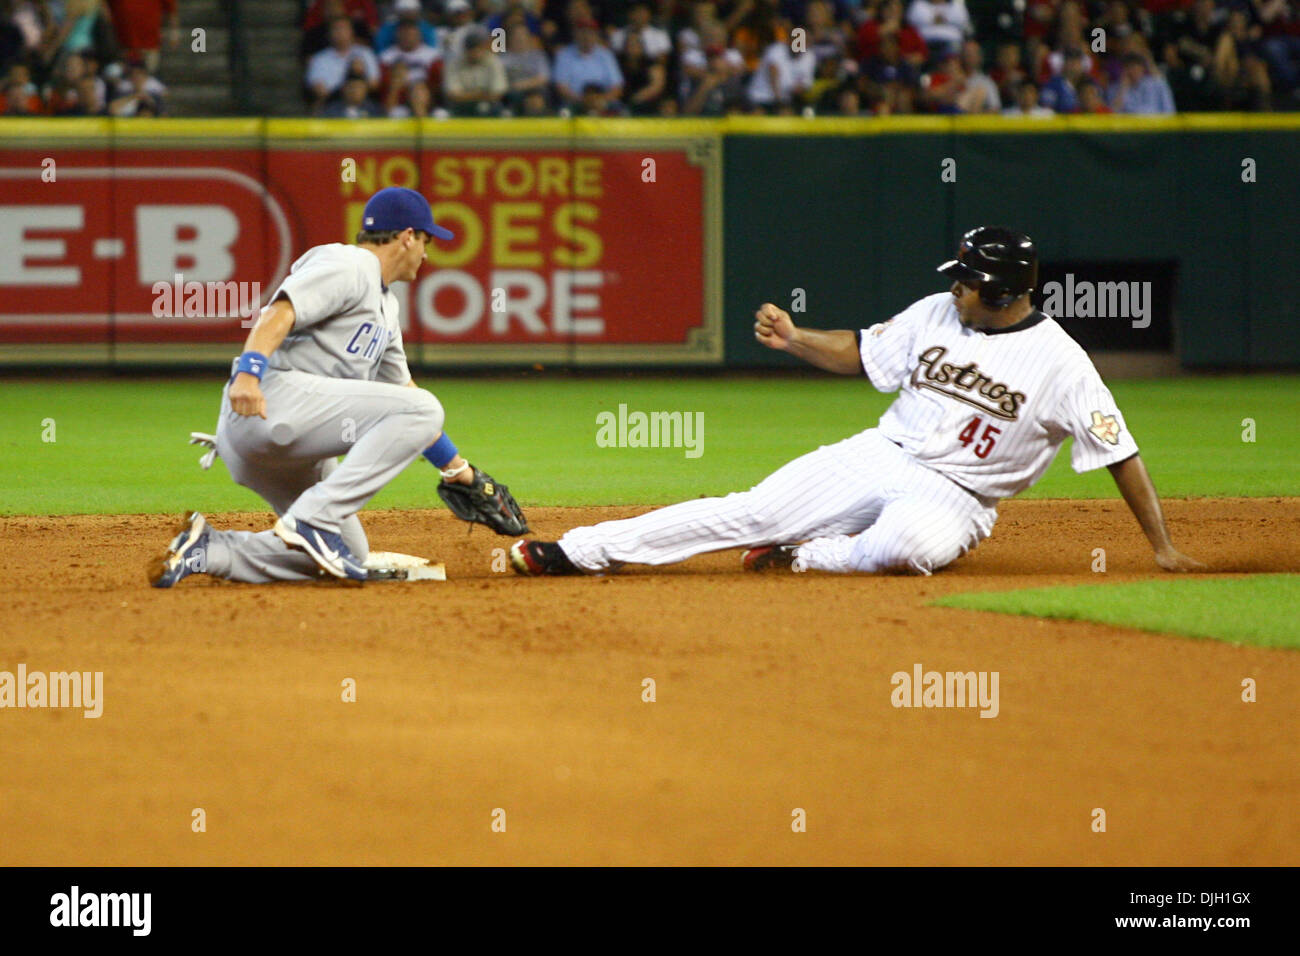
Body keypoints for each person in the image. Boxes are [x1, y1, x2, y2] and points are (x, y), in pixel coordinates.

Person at [510, 227, 1204, 578]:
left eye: (966, 283)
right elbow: (862, 351)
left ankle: (804, 556)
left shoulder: (1062, 364)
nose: (954, 290)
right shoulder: (937, 311)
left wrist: (1163, 547)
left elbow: (1121, 451)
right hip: (881, 454)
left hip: (959, 497)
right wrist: (793, 338)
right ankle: (581, 552)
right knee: (748, 511)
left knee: (904, 549)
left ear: (1001, 294)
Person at [149, 188, 527, 587]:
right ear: (407, 236)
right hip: (268, 405)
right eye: (427, 241)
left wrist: (459, 472)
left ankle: (212, 550)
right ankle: (313, 518)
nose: (427, 254)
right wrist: (248, 373)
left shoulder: (387, 308)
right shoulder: (349, 263)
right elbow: (280, 311)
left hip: (286, 444)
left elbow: (406, 396)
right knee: (424, 407)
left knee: (350, 552)